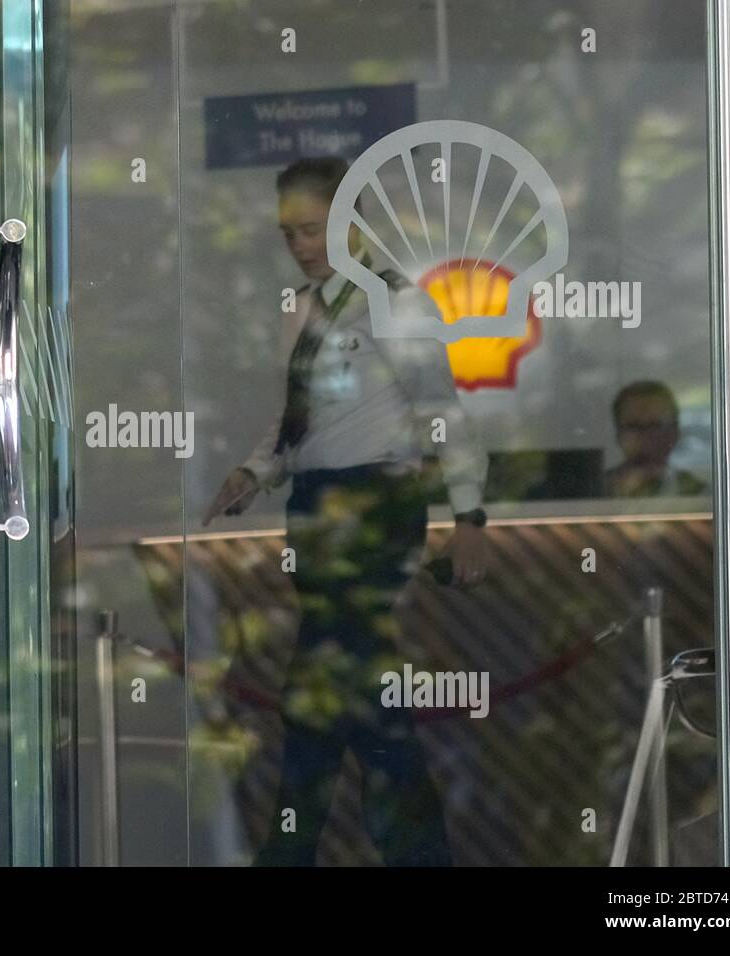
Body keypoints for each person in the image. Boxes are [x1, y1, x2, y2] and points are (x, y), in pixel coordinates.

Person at [203, 156, 492, 866]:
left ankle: (306, 854)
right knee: (342, 697)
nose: (301, 244)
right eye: (290, 233)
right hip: (318, 506)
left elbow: (441, 414)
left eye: (314, 228)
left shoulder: (396, 303)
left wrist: (469, 518)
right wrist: (255, 471)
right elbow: (302, 418)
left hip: (374, 505)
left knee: (334, 690)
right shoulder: (307, 305)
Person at [602, 381, 705, 497]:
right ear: (619, 434)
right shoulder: (595, 493)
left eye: (656, 425)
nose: (646, 436)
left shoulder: (698, 494)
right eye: (634, 426)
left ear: (675, 432)